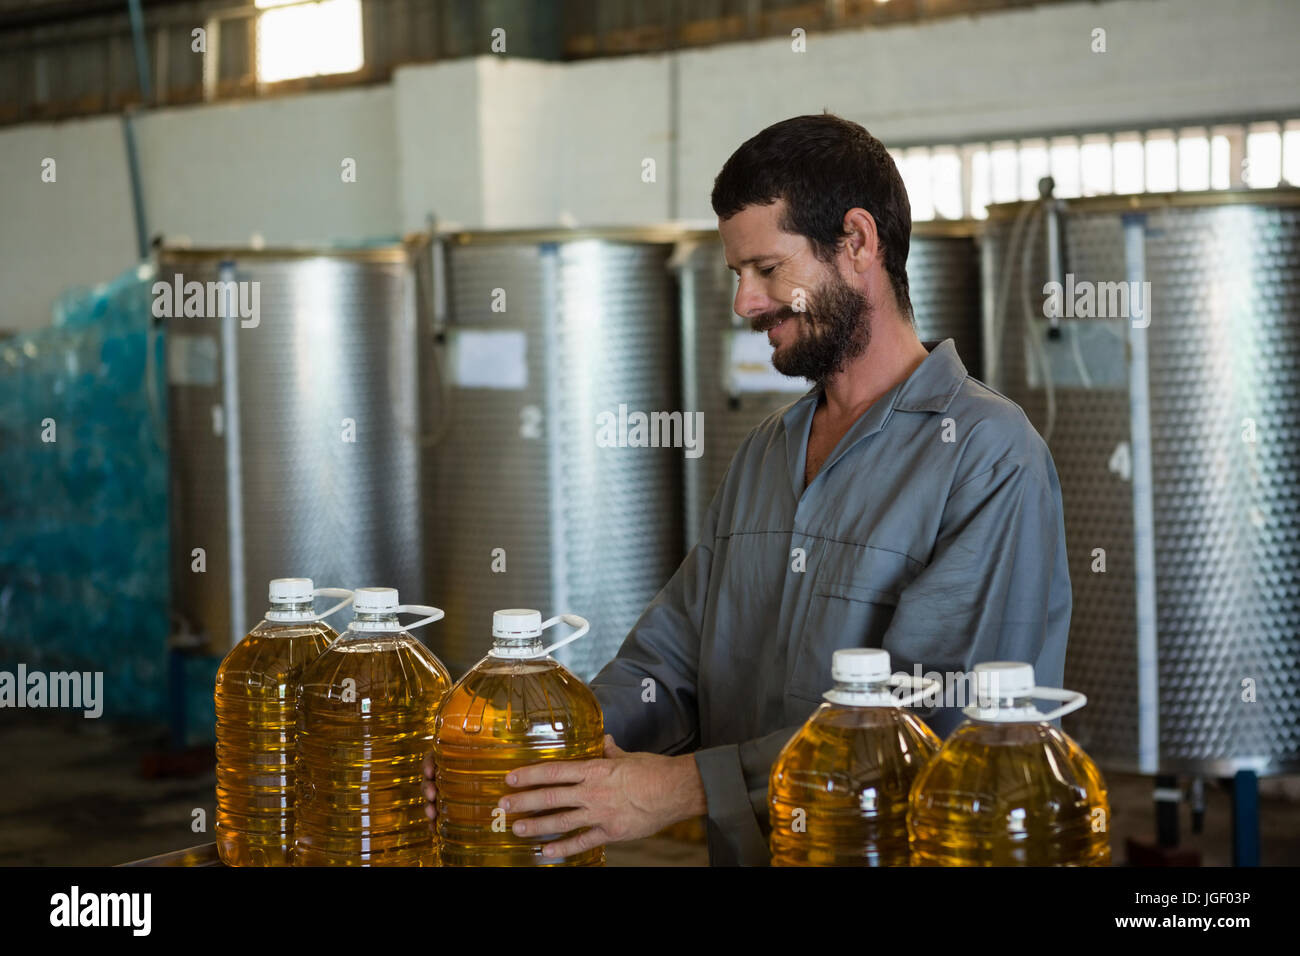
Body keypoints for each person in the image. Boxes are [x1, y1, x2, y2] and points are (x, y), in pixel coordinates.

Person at [424, 112, 1072, 866]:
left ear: (857, 243)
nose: (745, 304)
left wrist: (682, 789)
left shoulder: (988, 457)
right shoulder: (768, 453)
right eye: (738, 275)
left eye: (767, 269)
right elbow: (673, 659)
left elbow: (931, 722)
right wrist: (540, 748)